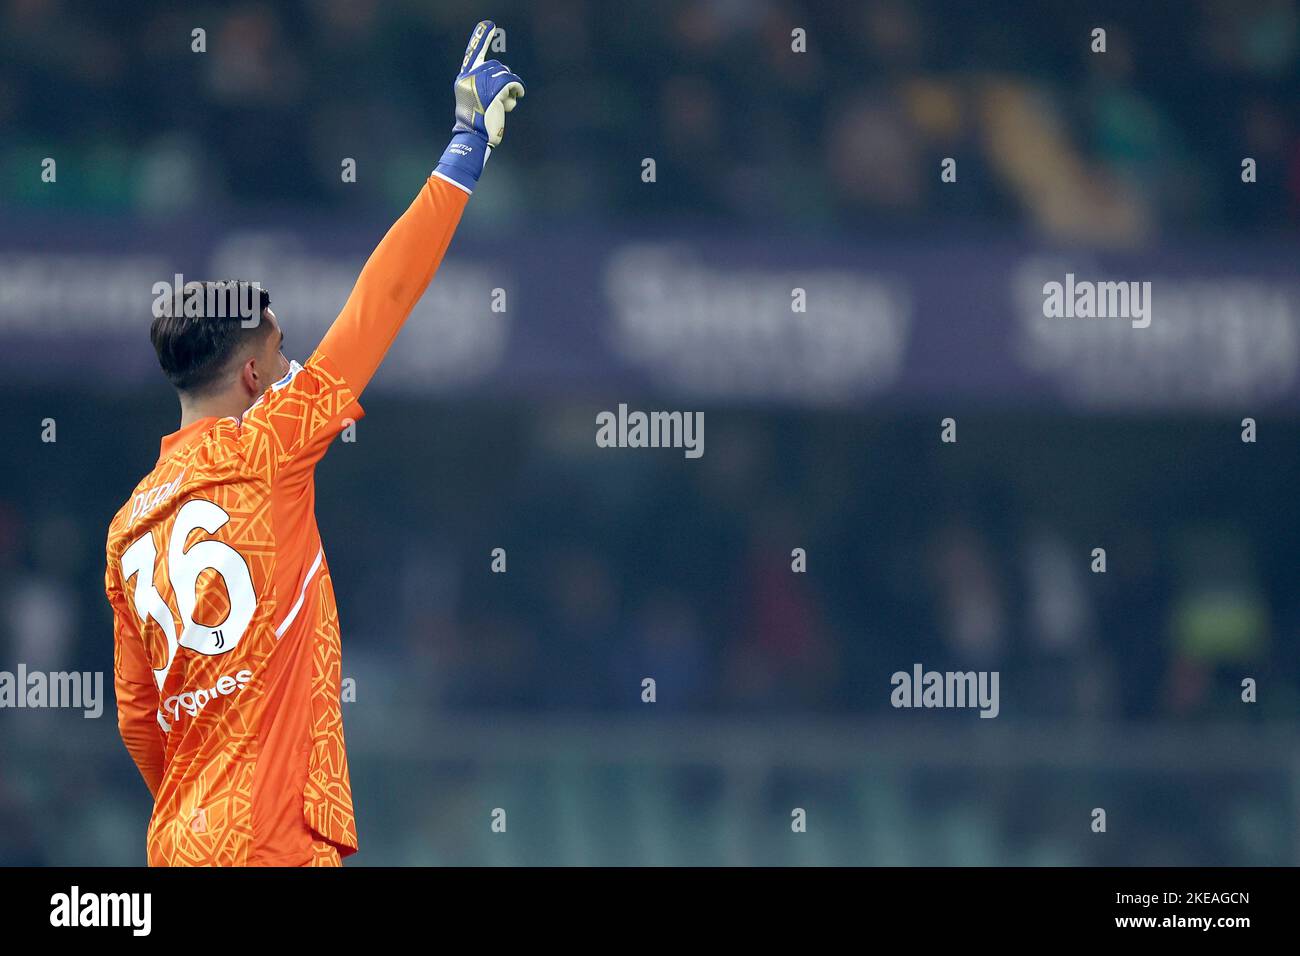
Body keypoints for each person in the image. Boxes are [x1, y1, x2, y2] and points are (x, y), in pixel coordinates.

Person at [102, 21, 523, 866]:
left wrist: (200, 810)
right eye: (285, 350)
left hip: (180, 844)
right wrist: (464, 149)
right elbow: (384, 298)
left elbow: (139, 721)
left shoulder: (125, 530)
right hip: (276, 843)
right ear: (254, 376)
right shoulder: (270, 447)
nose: (298, 363)